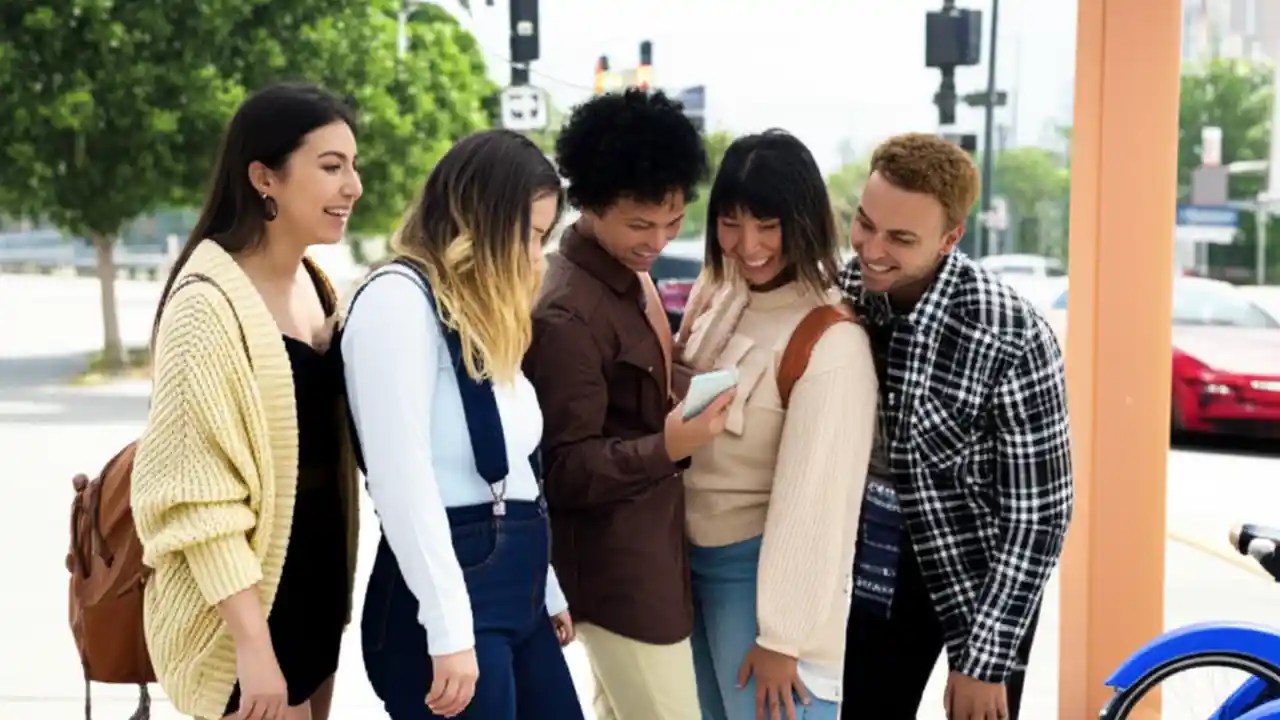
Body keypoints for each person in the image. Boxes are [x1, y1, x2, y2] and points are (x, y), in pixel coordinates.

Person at [131, 82, 363, 720]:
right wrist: (252, 647)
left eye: (353, 165)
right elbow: (196, 499)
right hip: (247, 609)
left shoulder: (318, 285)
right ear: (264, 177)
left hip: (316, 582)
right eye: (331, 166)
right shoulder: (206, 305)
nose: (353, 186)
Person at [342, 129, 584, 720]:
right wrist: (449, 628)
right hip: (446, 593)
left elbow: (517, 465)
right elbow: (401, 481)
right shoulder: (398, 301)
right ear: (484, 221)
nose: (538, 257)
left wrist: (545, 586)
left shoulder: (477, 312)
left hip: (517, 588)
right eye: (530, 235)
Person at [838, 132, 1074, 720]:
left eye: (901, 238)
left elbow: (1039, 516)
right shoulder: (844, 292)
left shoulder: (1011, 336)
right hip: (874, 559)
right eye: (865, 223)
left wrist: (986, 661)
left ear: (950, 239)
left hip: (981, 571)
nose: (872, 249)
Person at [523, 88, 724, 720]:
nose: (658, 240)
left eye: (674, 221)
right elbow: (562, 469)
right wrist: (669, 446)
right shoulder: (567, 310)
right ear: (589, 202)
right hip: (617, 573)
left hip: (651, 556)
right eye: (641, 224)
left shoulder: (627, 277)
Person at [674, 130, 878, 720]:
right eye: (730, 223)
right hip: (691, 568)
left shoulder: (829, 337)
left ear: (804, 220)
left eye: (768, 224)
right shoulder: (721, 298)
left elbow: (818, 499)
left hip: (762, 583)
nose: (749, 245)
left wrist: (783, 637)